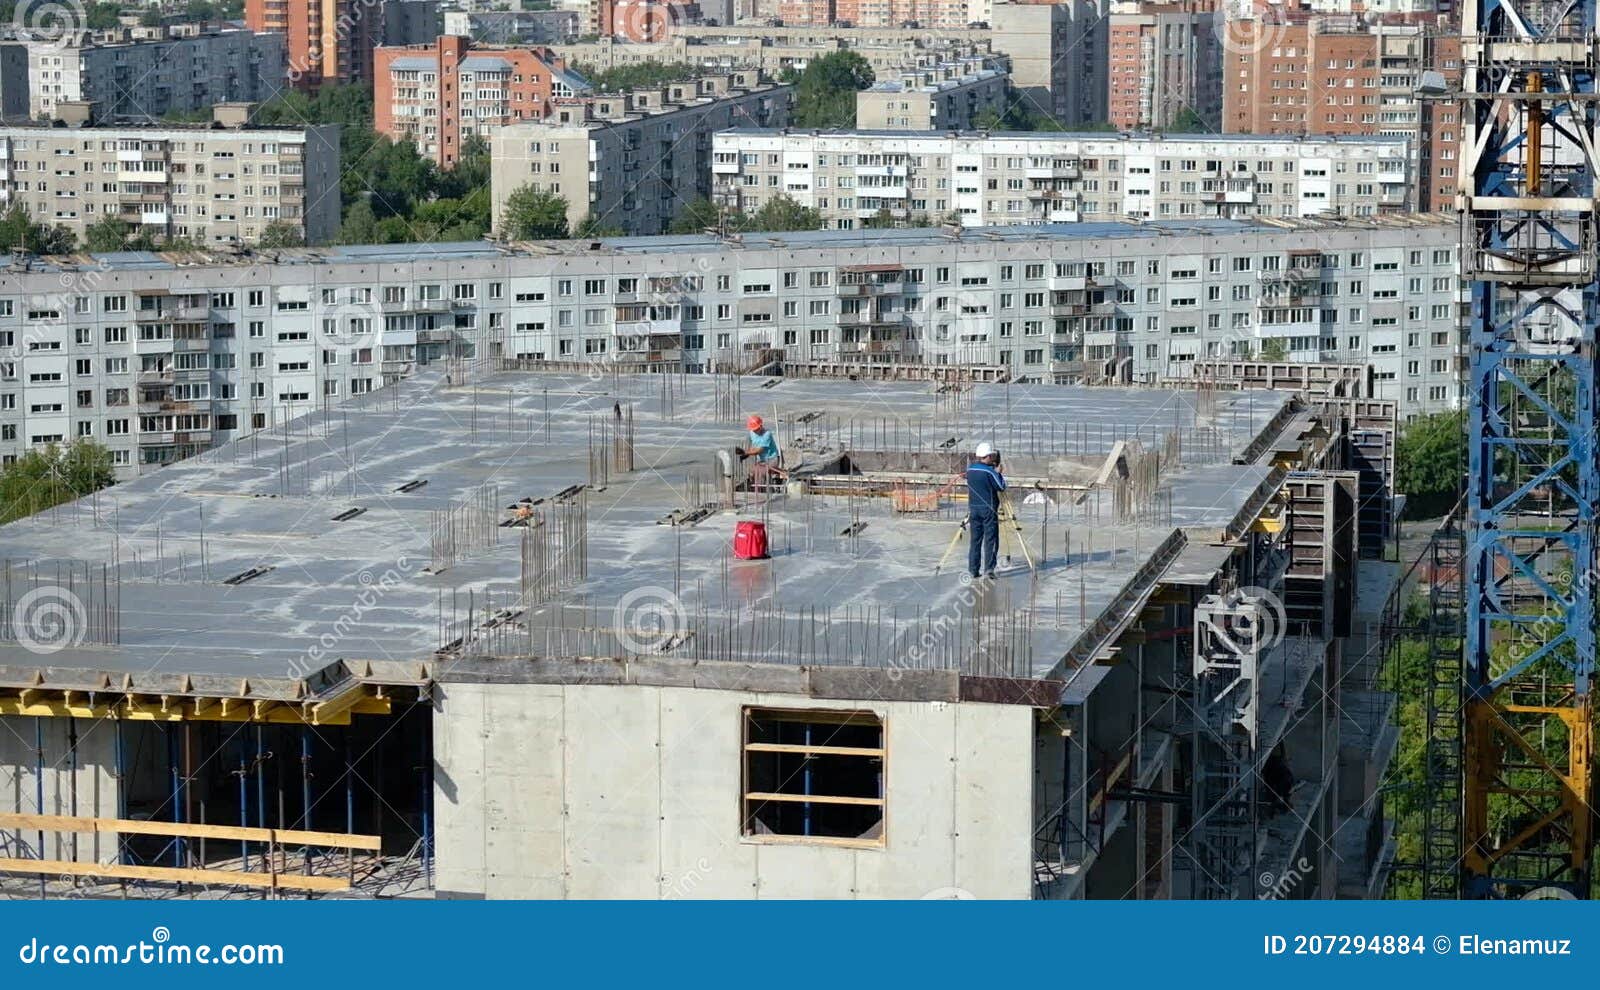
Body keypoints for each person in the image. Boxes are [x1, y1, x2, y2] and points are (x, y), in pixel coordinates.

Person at [966, 442, 1005, 579]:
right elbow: (1001, 486)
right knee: (991, 539)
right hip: (988, 509)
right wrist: (999, 473)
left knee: (975, 540)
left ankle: (973, 570)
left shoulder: (970, 470)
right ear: (988, 456)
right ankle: (989, 569)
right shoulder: (989, 472)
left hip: (973, 509)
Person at [742, 414, 783, 485]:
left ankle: (763, 490)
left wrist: (746, 452)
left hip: (772, 459)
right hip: (762, 460)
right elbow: (754, 446)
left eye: (756, 429)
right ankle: (758, 488)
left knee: (762, 472)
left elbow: (759, 450)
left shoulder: (767, 434)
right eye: (753, 429)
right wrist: (747, 453)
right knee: (753, 471)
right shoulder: (752, 433)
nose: (754, 431)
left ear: (760, 426)